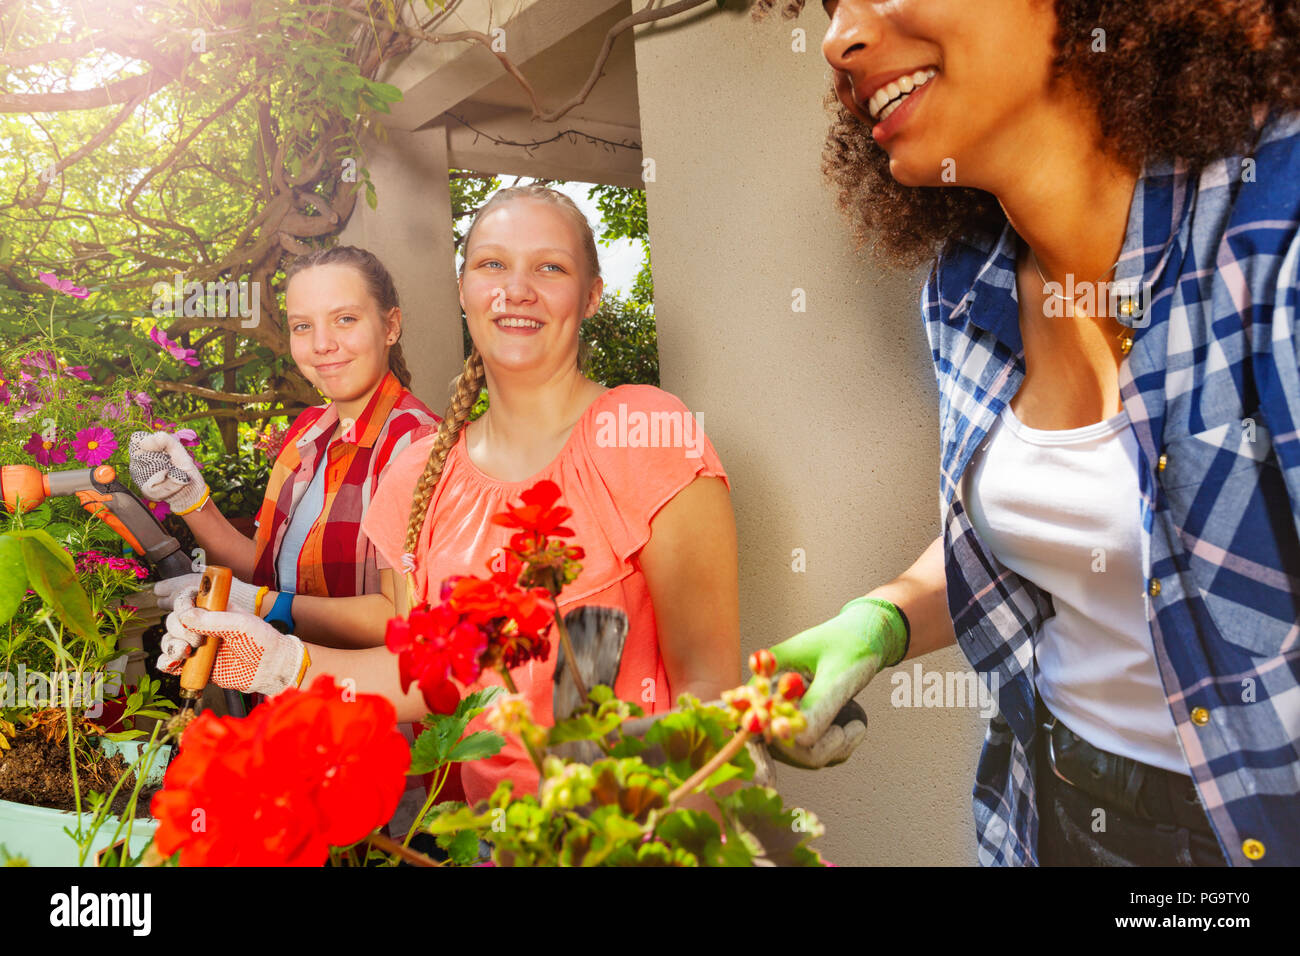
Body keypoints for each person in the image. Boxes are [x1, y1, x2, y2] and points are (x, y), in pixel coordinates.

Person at [758, 0, 1300, 867]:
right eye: (826, 6)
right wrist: (882, 621)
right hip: (1055, 815)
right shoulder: (966, 283)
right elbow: (1074, 528)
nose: (838, 39)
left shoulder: (1277, 235)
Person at [155, 186, 742, 808]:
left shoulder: (643, 432)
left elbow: (709, 685)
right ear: (463, 290)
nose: (516, 289)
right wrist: (275, 661)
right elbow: (430, 680)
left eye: (550, 267)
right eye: (492, 264)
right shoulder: (421, 473)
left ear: (591, 295)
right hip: (491, 838)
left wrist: (657, 839)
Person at [129, 246, 440, 648]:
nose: (322, 344)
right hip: (284, 697)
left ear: (391, 325)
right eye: (302, 326)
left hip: (367, 705)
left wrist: (260, 605)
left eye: (345, 319)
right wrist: (191, 498)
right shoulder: (310, 430)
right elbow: (263, 567)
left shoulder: (416, 445)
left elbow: (402, 619)